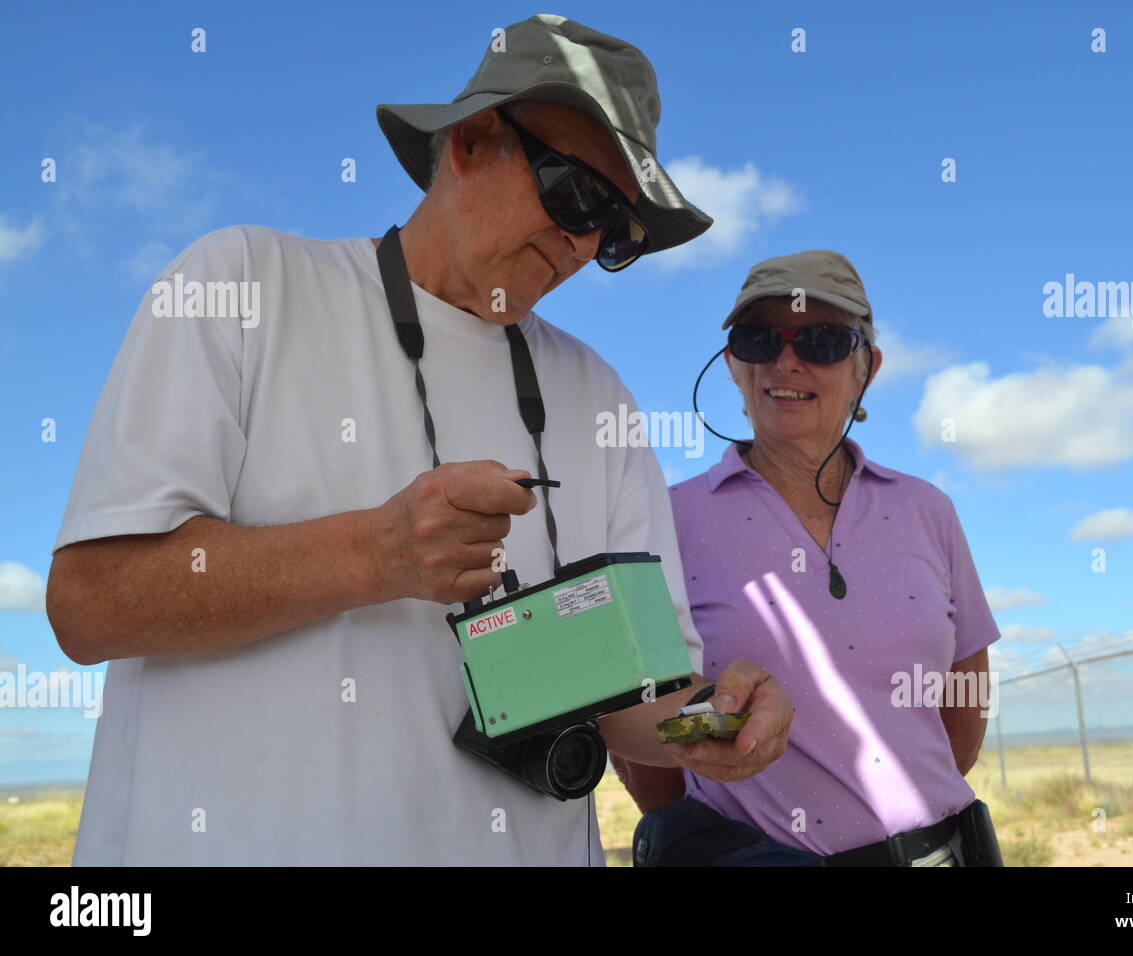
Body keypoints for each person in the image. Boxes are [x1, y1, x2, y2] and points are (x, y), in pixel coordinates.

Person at [45, 13, 792, 866]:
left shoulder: (599, 396)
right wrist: (373, 554)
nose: (584, 244)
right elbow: (88, 602)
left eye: (617, 229)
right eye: (577, 194)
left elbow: (641, 702)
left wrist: (720, 719)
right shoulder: (243, 284)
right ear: (473, 141)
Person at [619, 250, 1003, 866]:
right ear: (733, 366)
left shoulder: (928, 510)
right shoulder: (666, 520)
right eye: (758, 338)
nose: (785, 360)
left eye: (821, 340)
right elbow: (639, 729)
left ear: (865, 369)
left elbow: (963, 702)